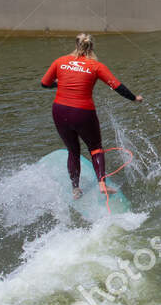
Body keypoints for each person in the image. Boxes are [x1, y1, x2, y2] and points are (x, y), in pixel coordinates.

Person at [41, 34, 142, 199]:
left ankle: (75, 189)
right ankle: (102, 184)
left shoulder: (60, 61)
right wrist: (134, 98)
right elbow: (116, 86)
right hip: (83, 112)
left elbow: (44, 83)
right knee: (95, 148)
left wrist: (57, 84)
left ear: (76, 45)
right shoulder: (96, 66)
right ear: (92, 47)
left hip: (59, 110)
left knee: (73, 150)